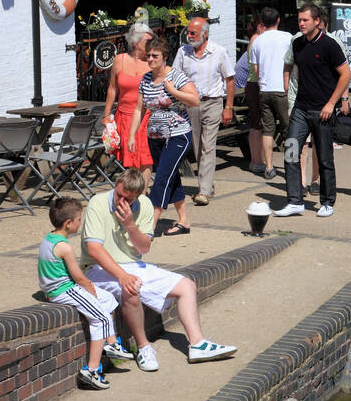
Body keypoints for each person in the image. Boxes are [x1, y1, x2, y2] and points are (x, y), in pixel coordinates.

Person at [80, 168, 236, 369]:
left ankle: (197, 344)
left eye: (128, 199)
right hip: (98, 268)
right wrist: (122, 276)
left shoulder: (144, 204)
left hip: (133, 264)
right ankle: (144, 347)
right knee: (131, 288)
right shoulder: (98, 203)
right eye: (119, 195)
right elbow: (93, 250)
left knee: (187, 285)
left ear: (137, 196)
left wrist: (130, 225)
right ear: (116, 186)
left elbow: (144, 247)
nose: (122, 202)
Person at [38, 197, 135, 390]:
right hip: (63, 290)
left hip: (56, 287)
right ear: (68, 223)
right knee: (101, 319)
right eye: (79, 220)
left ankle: (112, 344)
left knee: (108, 298)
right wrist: (90, 290)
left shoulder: (49, 238)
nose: (80, 223)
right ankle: (91, 370)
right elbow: (78, 277)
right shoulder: (64, 247)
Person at [273, 4, 350, 218]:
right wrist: (289, 85)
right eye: (299, 20)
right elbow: (291, 67)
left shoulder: (330, 45)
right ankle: (295, 201)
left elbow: (346, 75)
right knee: (290, 151)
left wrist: (331, 103)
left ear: (317, 21)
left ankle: (327, 202)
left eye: (305, 20)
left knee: (324, 157)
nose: (301, 23)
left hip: (323, 110)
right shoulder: (296, 43)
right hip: (300, 107)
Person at [130, 35, 198, 236]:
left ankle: (149, 225)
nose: (150, 59)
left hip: (178, 135)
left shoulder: (176, 77)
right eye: (148, 56)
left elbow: (195, 100)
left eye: (155, 56)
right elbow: (138, 109)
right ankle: (184, 221)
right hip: (155, 136)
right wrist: (132, 135)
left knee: (161, 178)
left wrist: (173, 91)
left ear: (165, 57)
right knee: (171, 176)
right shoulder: (146, 79)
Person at [173, 16, 233, 206]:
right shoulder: (183, 52)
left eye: (193, 33)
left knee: (208, 145)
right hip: (191, 105)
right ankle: (208, 185)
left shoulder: (219, 52)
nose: (189, 36)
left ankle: (204, 191)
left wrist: (228, 107)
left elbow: (229, 80)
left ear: (205, 34)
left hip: (213, 102)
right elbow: (174, 76)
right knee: (197, 146)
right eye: (188, 32)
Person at [102, 22, 155, 187]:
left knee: (145, 157)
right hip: (124, 116)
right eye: (147, 42)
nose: (151, 45)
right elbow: (112, 88)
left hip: (146, 116)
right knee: (131, 157)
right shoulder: (120, 60)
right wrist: (106, 114)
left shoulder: (152, 62)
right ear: (135, 43)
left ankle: (143, 194)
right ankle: (135, 192)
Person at [249, 7, 292, 180]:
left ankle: (268, 167)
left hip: (265, 89)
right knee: (289, 129)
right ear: (278, 20)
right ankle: (291, 166)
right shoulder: (287, 37)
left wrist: (261, 84)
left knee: (267, 130)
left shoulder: (257, 41)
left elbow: (256, 68)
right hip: (282, 88)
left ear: (262, 22)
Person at [225, 16, 265, 174]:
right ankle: (257, 159)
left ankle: (257, 157)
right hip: (241, 91)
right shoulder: (256, 41)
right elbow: (257, 71)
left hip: (244, 89)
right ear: (261, 27)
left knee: (257, 122)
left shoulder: (257, 40)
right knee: (256, 123)